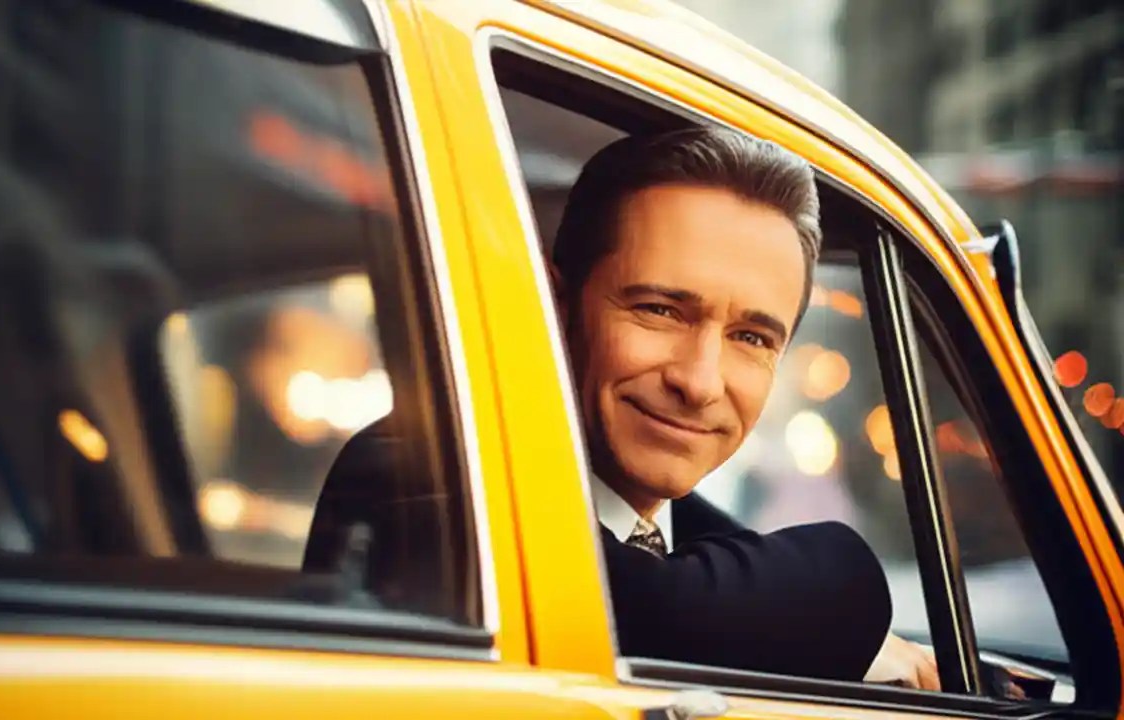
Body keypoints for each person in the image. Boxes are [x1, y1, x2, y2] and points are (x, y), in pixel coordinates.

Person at [305, 124, 938, 689]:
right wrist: (843, 620)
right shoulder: (413, 474)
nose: (700, 381)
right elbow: (661, 609)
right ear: (555, 307)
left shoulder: (680, 536)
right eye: (659, 310)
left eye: (751, 337)